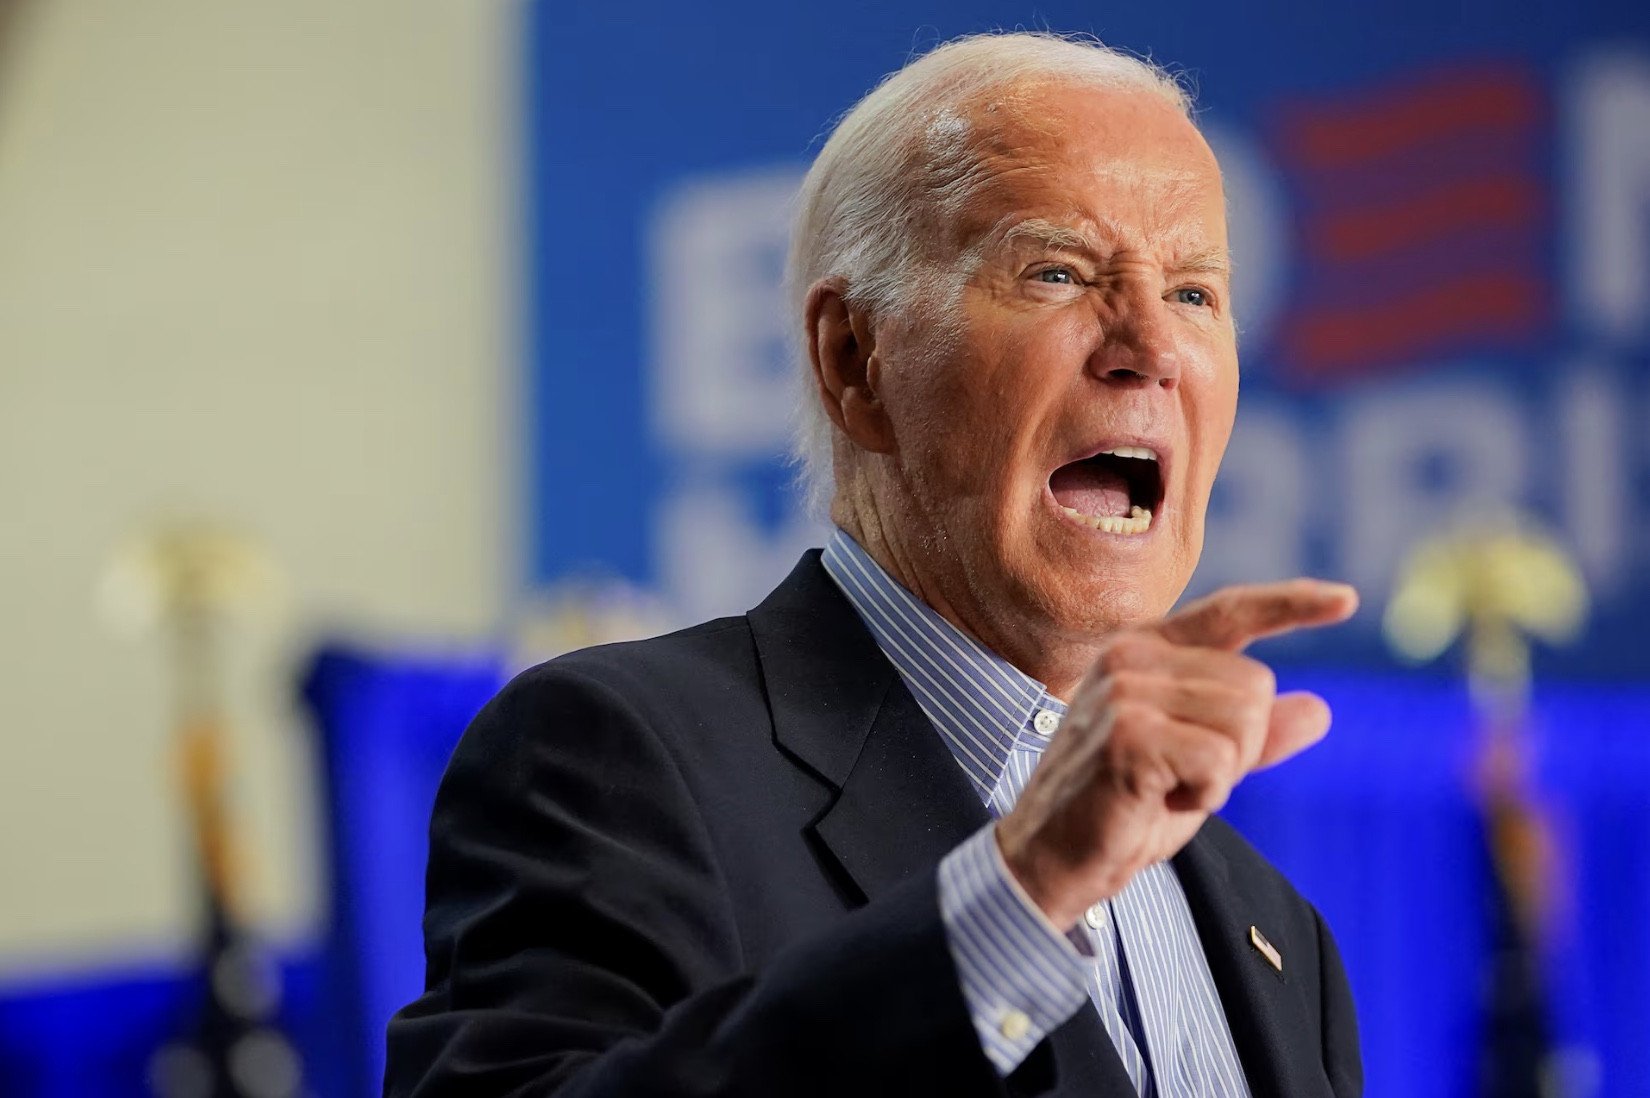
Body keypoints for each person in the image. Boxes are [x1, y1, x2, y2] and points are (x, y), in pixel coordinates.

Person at [386, 31, 1363, 1097]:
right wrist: (1017, 897)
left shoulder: (1278, 935)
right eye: (1057, 271)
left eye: (1194, 294)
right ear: (856, 361)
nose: (1151, 347)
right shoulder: (620, 755)